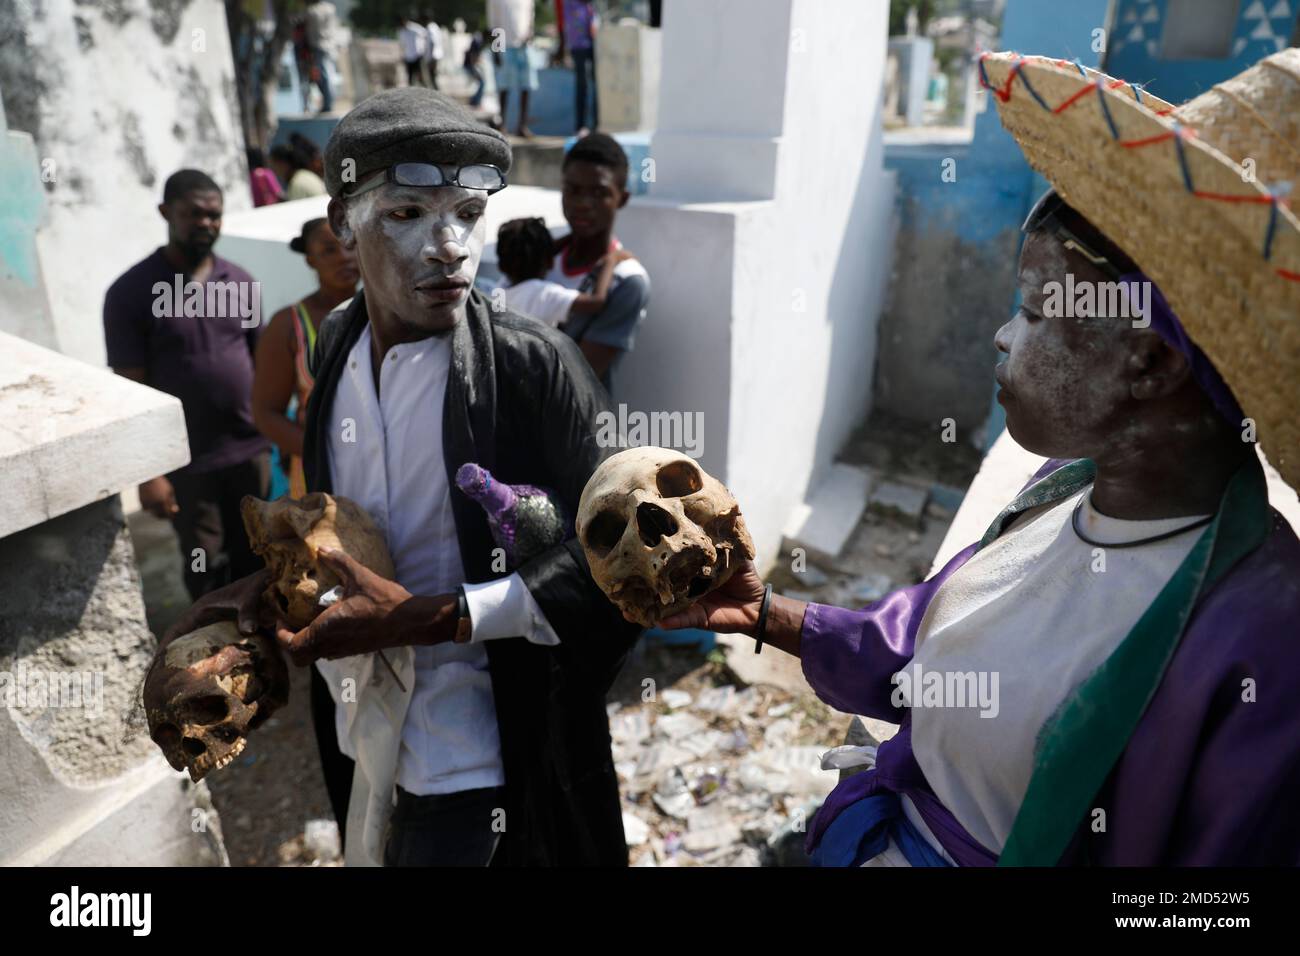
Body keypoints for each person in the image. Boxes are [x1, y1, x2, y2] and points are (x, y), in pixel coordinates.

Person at [662, 50, 1300, 866]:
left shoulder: (1262, 637)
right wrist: (760, 613)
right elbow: (925, 655)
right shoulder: (1056, 497)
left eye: (1036, 308)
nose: (1004, 334)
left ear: (1153, 363)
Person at [146, 88, 643, 867]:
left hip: (479, 751)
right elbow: (346, 525)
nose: (448, 247)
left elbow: (623, 568)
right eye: (406, 215)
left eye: (467, 216)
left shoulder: (530, 367)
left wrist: (431, 617)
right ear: (343, 222)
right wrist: (263, 590)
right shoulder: (335, 344)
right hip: (363, 731)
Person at [104, 169, 270, 601]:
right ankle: (215, 660)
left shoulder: (241, 282)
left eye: (214, 215)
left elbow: (262, 365)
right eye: (194, 214)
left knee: (264, 559)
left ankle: (270, 652)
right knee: (206, 566)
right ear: (165, 212)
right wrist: (149, 472)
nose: (206, 224)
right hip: (187, 464)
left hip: (250, 453)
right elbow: (130, 392)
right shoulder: (131, 292)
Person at [251, 218, 359, 499]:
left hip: (387, 468)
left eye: (350, 245)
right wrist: (324, 450)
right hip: (322, 476)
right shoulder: (289, 325)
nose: (344, 257)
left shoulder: (387, 312)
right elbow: (266, 412)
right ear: (310, 260)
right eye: (328, 251)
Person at [545, 133, 649, 393]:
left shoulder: (626, 281)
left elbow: (574, 380)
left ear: (621, 199)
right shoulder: (539, 257)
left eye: (599, 193)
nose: (582, 204)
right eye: (573, 190)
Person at [494, 216, 629, 328]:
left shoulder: (500, 288)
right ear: (550, 261)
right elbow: (596, 302)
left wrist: (574, 236)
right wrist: (611, 260)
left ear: (501, 265)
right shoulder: (544, 294)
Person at [488, 0, 537, 137]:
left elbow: (530, 19)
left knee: (526, 86)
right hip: (504, 45)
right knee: (504, 86)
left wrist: (529, 35)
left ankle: (522, 125)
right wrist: (496, 51)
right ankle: (502, 124)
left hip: (525, 46)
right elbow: (494, 24)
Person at [555, 0, 599, 134]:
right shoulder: (570, 3)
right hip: (579, 46)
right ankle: (581, 125)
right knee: (582, 85)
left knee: (597, 87)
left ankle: (596, 124)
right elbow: (562, 23)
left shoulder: (590, 6)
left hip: (595, 45)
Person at [305, 0, 339, 113]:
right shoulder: (331, 8)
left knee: (324, 77)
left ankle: (328, 105)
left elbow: (310, 32)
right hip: (331, 46)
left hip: (319, 47)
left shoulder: (312, 10)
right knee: (327, 76)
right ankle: (328, 103)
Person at [397, 13, 427, 88]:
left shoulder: (414, 27)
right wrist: (402, 55)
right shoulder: (401, 31)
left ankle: (425, 90)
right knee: (410, 77)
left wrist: (422, 48)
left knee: (420, 76)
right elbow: (402, 45)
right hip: (408, 57)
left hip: (417, 55)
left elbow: (425, 34)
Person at [463, 28, 487, 108]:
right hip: (471, 65)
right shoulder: (477, 42)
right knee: (482, 83)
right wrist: (475, 66)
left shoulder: (477, 40)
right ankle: (476, 102)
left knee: (481, 83)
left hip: (470, 65)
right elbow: (473, 55)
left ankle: (475, 101)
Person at [423, 11, 444, 91]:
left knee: (433, 77)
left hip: (433, 57)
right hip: (435, 56)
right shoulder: (434, 27)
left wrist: (431, 58)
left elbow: (433, 42)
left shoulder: (430, 27)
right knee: (433, 77)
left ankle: (438, 93)